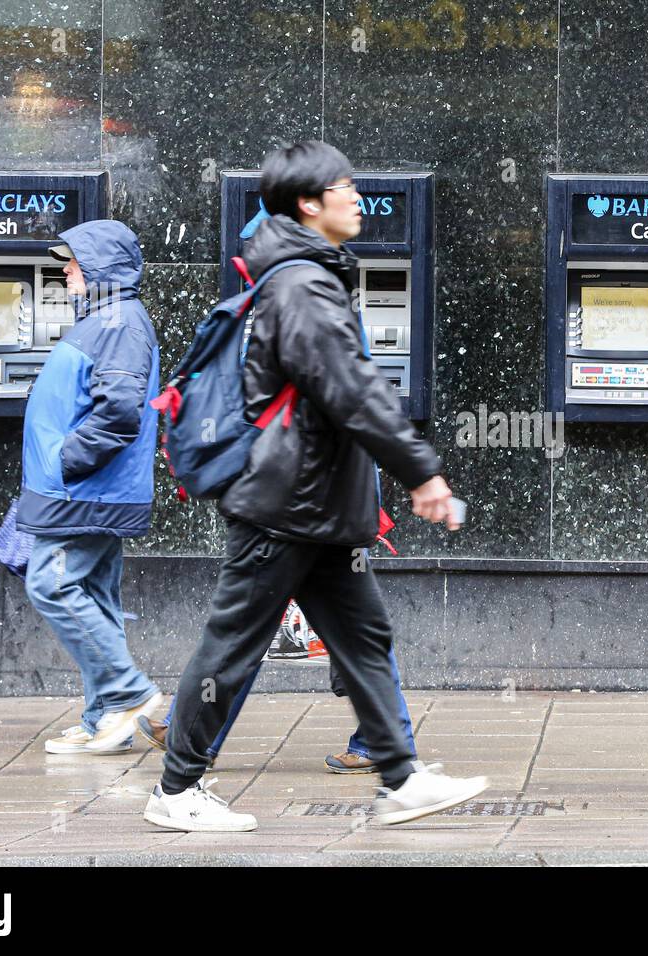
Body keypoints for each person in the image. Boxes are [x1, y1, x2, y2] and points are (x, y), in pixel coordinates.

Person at [143, 142, 485, 831]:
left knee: (363, 637)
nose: (357, 199)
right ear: (309, 203)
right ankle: (176, 791)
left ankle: (400, 776)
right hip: (283, 506)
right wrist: (422, 472)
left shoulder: (306, 276)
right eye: (345, 187)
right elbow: (352, 390)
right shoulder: (302, 284)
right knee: (233, 646)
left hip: (317, 508)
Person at [18, 219, 164, 754]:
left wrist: (64, 462)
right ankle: (105, 720)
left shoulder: (119, 323)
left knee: (51, 585)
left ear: (100, 265)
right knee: (97, 597)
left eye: (73, 260)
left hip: (85, 490)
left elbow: (119, 414)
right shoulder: (107, 318)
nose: (64, 269)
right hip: (89, 487)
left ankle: (129, 695)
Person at [137, 637, 415, 774]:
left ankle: (387, 745)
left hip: (320, 533)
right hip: (301, 531)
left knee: (358, 626)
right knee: (248, 624)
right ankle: (193, 735)